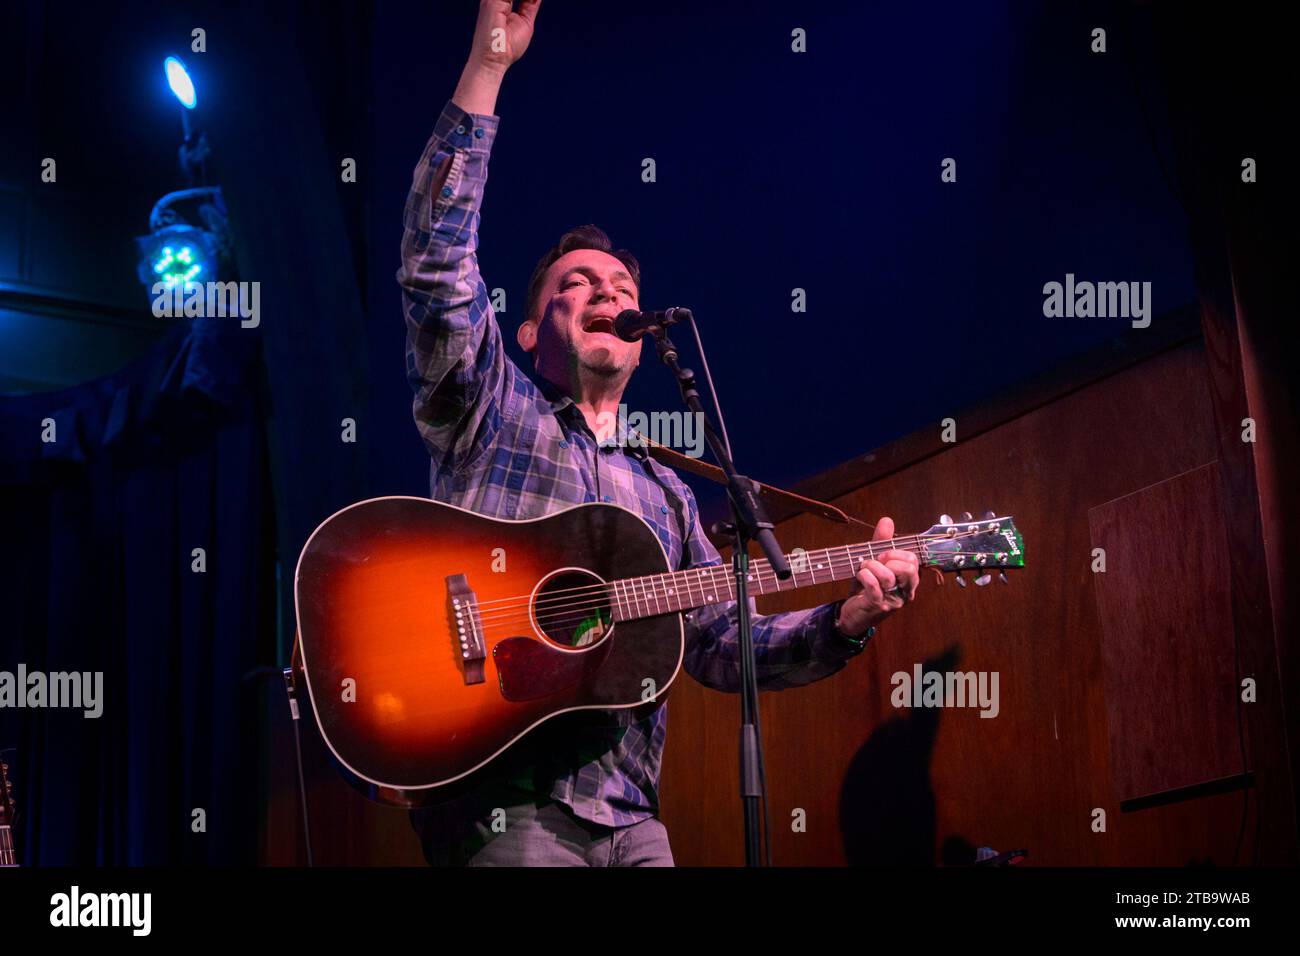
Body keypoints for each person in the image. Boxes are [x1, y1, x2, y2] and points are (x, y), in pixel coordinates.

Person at [399, 0, 921, 866]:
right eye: (576, 282)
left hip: (636, 819)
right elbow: (435, 264)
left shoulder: (670, 493)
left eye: (618, 283)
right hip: (503, 801)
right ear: (526, 332)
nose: (607, 291)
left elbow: (727, 645)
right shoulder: (490, 408)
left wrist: (850, 617)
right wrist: (489, 65)